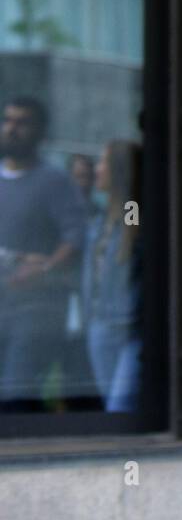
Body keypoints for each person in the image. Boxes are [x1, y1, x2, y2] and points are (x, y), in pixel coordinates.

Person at [0, 96, 89, 410]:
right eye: (8, 120)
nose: (12, 129)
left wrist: (46, 268)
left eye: (22, 122)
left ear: (39, 131)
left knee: (15, 395)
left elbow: (76, 237)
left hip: (36, 311)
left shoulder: (55, 182)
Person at [82, 140, 144, 413]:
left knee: (120, 406)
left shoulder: (136, 221)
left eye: (104, 162)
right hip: (99, 326)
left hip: (130, 329)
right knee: (112, 406)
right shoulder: (99, 222)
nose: (97, 169)